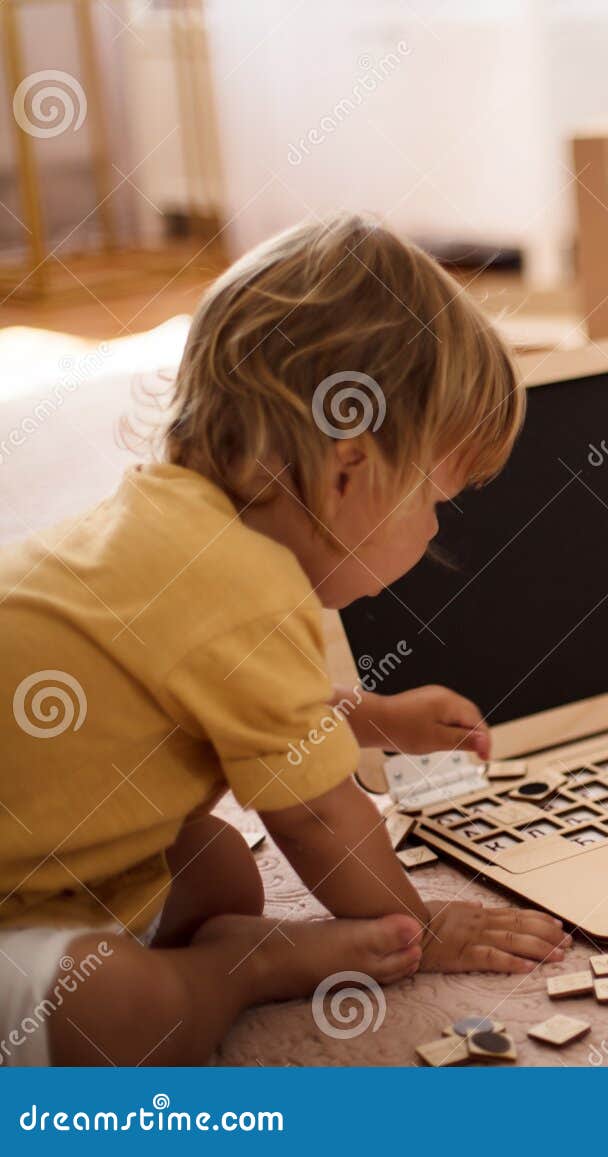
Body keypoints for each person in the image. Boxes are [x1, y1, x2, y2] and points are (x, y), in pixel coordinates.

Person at [0, 215, 570, 1066]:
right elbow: (313, 812)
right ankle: (236, 972)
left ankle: (215, 945)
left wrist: (378, 720)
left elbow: (250, 703)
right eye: (435, 500)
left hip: (44, 863)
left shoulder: (173, 529)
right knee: (125, 1010)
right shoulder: (243, 587)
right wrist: (419, 924)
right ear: (350, 471)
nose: (436, 527)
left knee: (219, 865)